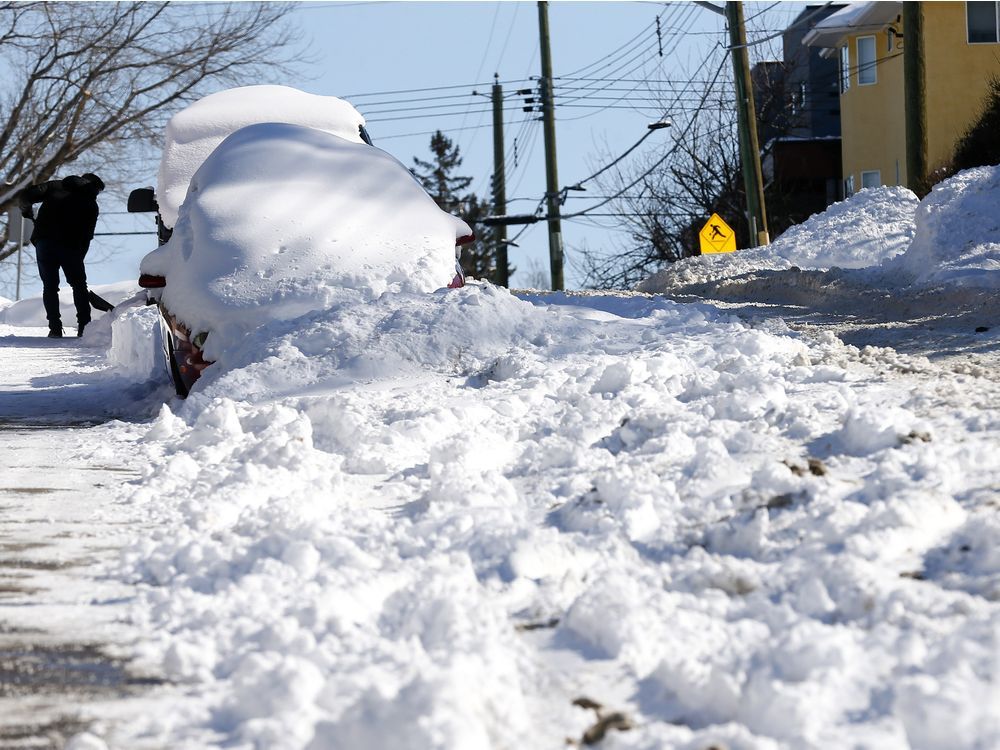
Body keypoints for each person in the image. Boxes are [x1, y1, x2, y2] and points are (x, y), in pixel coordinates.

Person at [18, 173, 105, 337]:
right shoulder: (91, 204)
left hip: (45, 243)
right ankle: (84, 328)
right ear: (94, 187)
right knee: (79, 285)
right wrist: (79, 257)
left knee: (49, 287)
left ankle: (55, 328)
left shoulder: (55, 186)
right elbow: (87, 236)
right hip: (71, 247)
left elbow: (25, 196)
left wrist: (27, 213)